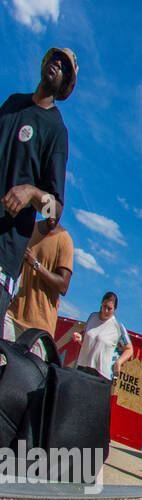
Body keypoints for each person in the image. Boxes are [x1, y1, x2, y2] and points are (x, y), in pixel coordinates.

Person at [1, 48, 73, 325]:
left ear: (66, 84)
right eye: (54, 58)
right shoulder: (12, 104)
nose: (57, 64)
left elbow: (54, 211)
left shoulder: (56, 130)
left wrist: (31, 191)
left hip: (4, 249)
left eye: (64, 66)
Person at [7, 215, 73, 339]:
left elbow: (63, 286)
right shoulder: (32, 228)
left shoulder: (65, 240)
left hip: (39, 327)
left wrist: (36, 264)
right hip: (14, 314)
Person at [71, 291, 133, 380]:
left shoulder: (117, 327)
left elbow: (129, 349)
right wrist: (80, 338)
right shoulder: (92, 317)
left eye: (109, 308)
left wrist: (118, 362)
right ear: (101, 304)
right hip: (82, 367)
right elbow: (88, 340)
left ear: (115, 309)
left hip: (101, 374)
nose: (106, 311)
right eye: (104, 307)